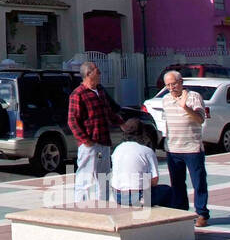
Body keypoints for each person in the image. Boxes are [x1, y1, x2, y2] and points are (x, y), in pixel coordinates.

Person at [158, 70, 210, 226]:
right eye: (168, 85)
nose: (171, 88)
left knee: (198, 182)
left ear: (181, 82)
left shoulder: (193, 97)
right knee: (177, 184)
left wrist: (185, 107)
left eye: (173, 84)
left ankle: (202, 214)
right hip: (173, 148)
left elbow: (200, 119)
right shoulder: (166, 99)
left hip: (192, 148)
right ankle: (181, 212)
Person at [67, 61, 121, 202]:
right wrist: (86, 140)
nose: (100, 74)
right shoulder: (78, 94)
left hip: (103, 141)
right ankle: (80, 206)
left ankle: (103, 205)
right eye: (97, 71)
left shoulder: (100, 91)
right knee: (85, 178)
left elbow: (108, 112)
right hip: (90, 144)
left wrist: (121, 123)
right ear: (88, 74)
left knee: (103, 177)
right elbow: (72, 121)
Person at [110, 117, 171, 207]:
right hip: (137, 196)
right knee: (168, 191)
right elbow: (154, 181)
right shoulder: (147, 151)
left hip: (117, 195)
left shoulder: (118, 149)